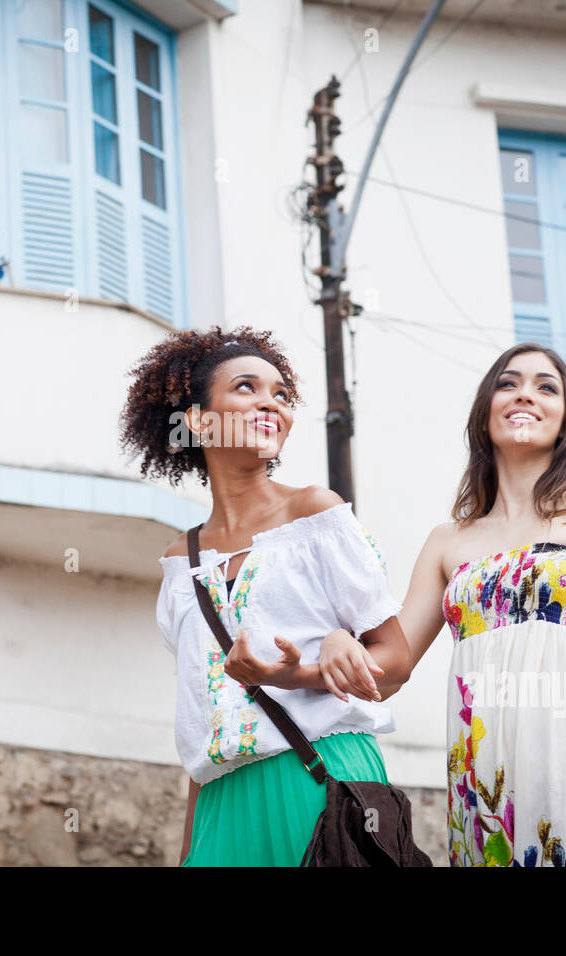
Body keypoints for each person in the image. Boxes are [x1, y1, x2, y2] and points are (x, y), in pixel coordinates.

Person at [317, 343, 566, 867]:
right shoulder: (446, 541)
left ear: (565, 420)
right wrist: (338, 641)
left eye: (547, 387)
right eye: (509, 383)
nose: (526, 393)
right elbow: (389, 667)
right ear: (485, 412)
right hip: (486, 787)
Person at [118, 324, 411, 866]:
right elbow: (205, 717)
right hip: (224, 802)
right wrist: (189, 853)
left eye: (281, 393)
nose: (272, 403)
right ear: (199, 420)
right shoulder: (180, 563)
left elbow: (394, 664)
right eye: (247, 387)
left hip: (322, 777)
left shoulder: (314, 514)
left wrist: (298, 673)